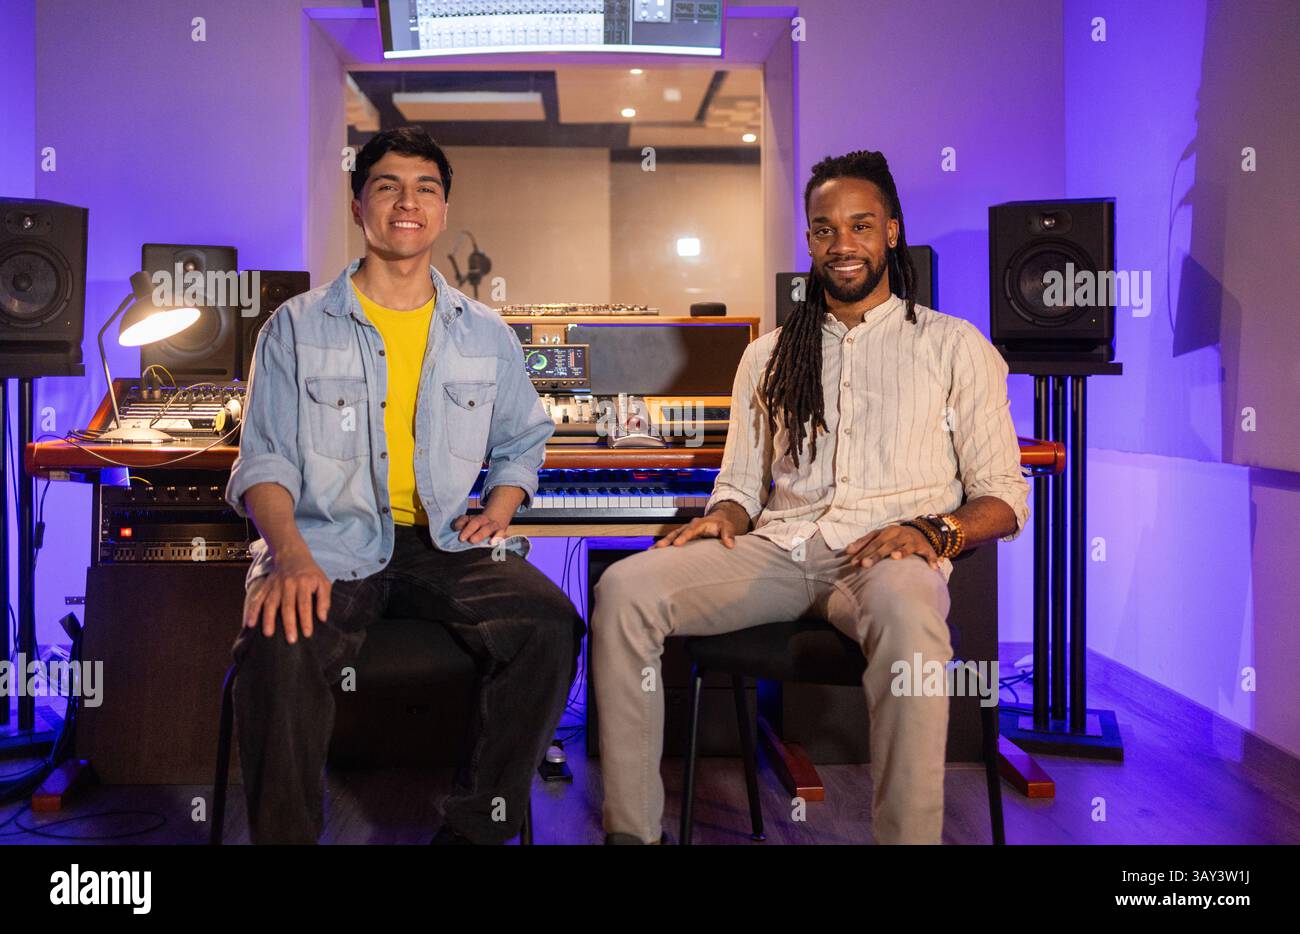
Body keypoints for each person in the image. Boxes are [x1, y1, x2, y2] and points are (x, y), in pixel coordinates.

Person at [592, 150, 1030, 845]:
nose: (842, 243)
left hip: (884, 557)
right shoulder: (768, 355)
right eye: (824, 229)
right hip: (778, 550)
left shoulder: (956, 346)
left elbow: (1004, 497)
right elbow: (738, 486)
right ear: (810, 241)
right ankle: (632, 834)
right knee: (624, 588)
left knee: (913, 626)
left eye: (860, 225)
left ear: (891, 231)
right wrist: (722, 516)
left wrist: (935, 532)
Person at [225, 126, 582, 844]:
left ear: (443, 210)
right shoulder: (294, 327)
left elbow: (523, 438)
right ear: (360, 206)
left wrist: (502, 504)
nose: (406, 202)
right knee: (277, 642)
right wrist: (287, 555)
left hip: (443, 542)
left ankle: (473, 832)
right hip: (325, 538)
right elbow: (262, 460)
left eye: (425, 188)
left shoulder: (484, 332)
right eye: (386, 186)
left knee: (550, 626)